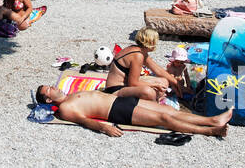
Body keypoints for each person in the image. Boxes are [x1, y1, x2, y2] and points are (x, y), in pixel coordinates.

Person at [33, 84, 230, 138]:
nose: (53, 86)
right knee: (163, 118)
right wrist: (105, 128)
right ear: (48, 99)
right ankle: (211, 130)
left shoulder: (71, 95)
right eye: (49, 89)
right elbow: (85, 121)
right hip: (116, 112)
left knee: (169, 111)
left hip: (121, 101)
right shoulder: (65, 108)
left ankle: (211, 120)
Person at [103, 28, 172, 100]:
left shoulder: (136, 49)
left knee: (164, 82)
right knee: (149, 92)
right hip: (115, 90)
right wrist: (154, 85)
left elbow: (157, 69)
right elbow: (133, 83)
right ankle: (155, 100)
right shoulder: (138, 55)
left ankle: (155, 98)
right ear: (151, 42)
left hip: (124, 85)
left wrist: (175, 82)